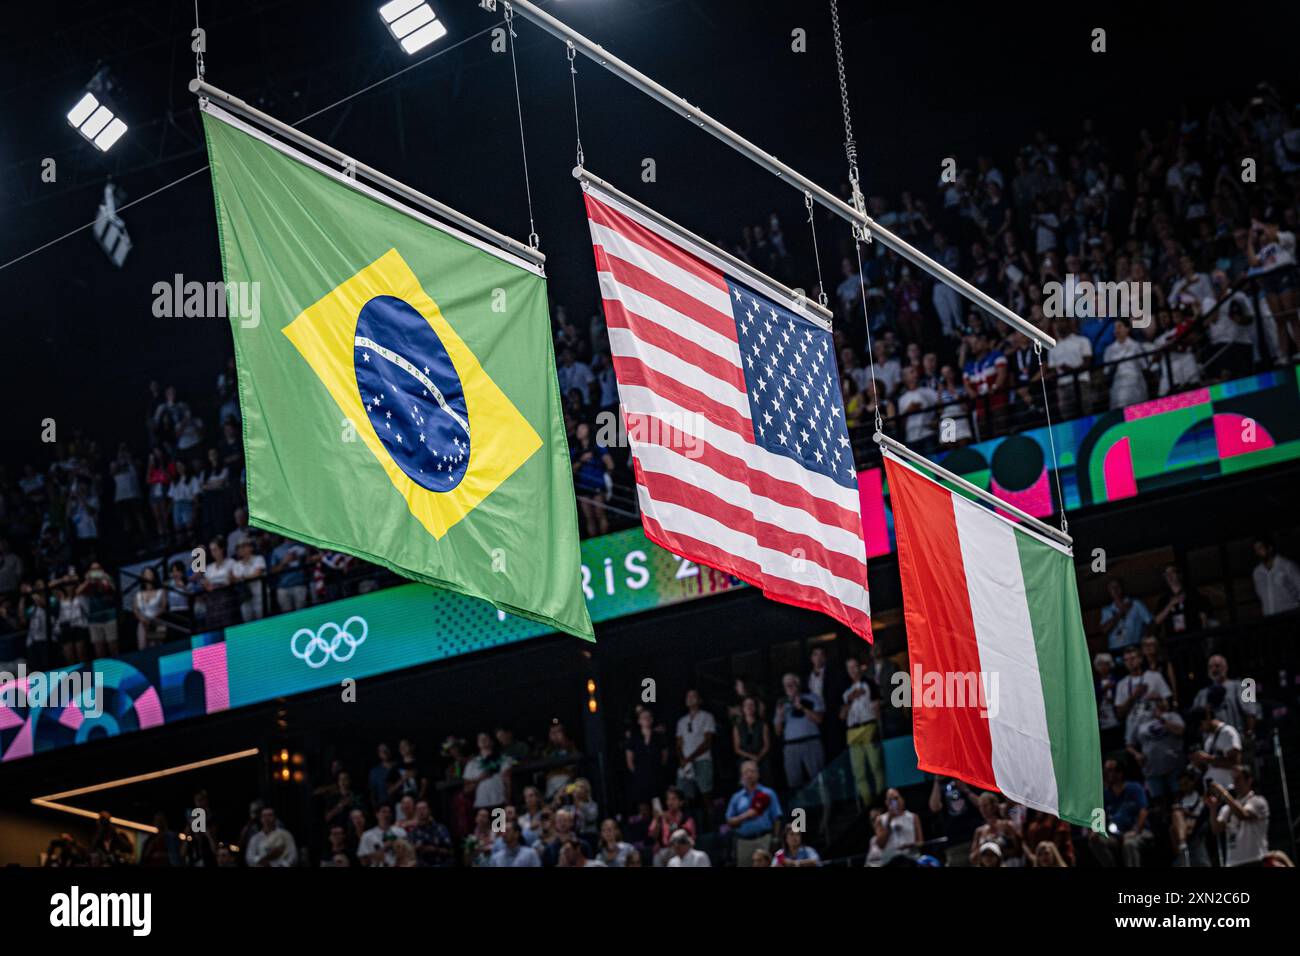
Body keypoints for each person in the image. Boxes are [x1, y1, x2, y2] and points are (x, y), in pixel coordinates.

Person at [724, 760, 783, 867]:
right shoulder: (736, 797)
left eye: (752, 771)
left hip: (764, 839)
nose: (749, 774)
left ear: (758, 774)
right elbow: (729, 821)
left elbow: (777, 818)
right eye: (746, 772)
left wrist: (775, 839)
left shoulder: (768, 793)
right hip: (743, 842)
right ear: (741, 776)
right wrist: (746, 815)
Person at [1207, 766, 1270, 867]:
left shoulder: (1258, 801)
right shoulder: (1227, 808)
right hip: (1233, 862)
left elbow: (1243, 814)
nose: (1235, 783)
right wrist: (1212, 808)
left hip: (1255, 859)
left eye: (1238, 779)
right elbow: (1216, 829)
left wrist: (1224, 793)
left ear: (1249, 780)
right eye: (1233, 780)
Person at [841, 656, 883, 804]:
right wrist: (850, 699)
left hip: (869, 727)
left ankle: (880, 798)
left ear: (860, 667)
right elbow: (841, 715)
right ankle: (867, 803)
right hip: (852, 731)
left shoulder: (870, 684)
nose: (853, 671)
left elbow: (877, 707)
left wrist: (878, 729)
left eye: (855, 667)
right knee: (858, 772)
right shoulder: (846, 690)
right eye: (849, 668)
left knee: (875, 766)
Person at [1092, 760, 1150, 867]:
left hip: (1138, 832)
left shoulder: (1134, 788)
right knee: (1095, 840)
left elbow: (1143, 810)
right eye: (1105, 770)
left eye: (1109, 771)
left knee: (1129, 844)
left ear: (1120, 773)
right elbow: (1100, 813)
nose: (1105, 773)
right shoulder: (1105, 794)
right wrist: (1096, 830)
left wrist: (1136, 830)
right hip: (1115, 835)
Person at [773, 672, 825, 790]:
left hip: (811, 742)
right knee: (794, 783)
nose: (790, 687)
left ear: (798, 684)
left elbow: (819, 719)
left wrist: (802, 707)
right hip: (791, 747)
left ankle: (825, 807)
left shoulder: (811, 697)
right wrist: (780, 715)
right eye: (787, 685)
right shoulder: (781, 703)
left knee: (819, 779)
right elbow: (777, 732)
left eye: (792, 684)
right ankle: (800, 809)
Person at [1191, 655, 1260, 740]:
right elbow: (1197, 721)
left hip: (1238, 740)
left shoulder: (1242, 686)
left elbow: (1251, 713)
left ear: (1225, 667)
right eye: (1210, 667)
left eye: (1217, 666)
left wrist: (1249, 735)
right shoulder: (1202, 694)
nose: (1214, 669)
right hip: (1213, 744)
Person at [1115, 645, 1172, 747]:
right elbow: (1119, 714)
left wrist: (1158, 698)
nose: (1130, 662)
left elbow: (1168, 706)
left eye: (1133, 658)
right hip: (1134, 735)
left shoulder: (1155, 676)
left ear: (1140, 659)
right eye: (1126, 660)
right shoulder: (1121, 684)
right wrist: (1133, 696)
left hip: (1154, 730)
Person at [1191, 692, 1243, 793]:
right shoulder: (1209, 740)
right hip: (1214, 790)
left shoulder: (1227, 732)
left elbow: (1235, 762)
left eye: (1200, 726)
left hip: (1229, 787)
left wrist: (1208, 759)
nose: (1201, 730)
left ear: (1207, 719)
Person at [929, 776, 983, 867]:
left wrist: (966, 790)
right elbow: (934, 807)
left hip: (974, 839)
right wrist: (936, 781)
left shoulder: (969, 779)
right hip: (954, 844)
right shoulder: (940, 787)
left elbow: (981, 804)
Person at [674, 689, 716, 804]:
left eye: (693, 696)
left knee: (706, 795)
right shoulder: (682, 721)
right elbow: (679, 743)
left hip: (702, 761)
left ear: (700, 700)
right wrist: (682, 759)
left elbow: (707, 742)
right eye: (688, 696)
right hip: (686, 764)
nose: (690, 698)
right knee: (684, 797)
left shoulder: (707, 717)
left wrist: (691, 757)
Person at [625, 707, 669, 813]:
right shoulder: (634, 738)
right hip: (640, 776)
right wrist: (637, 772)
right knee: (643, 805)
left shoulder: (658, 737)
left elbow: (664, 756)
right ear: (639, 721)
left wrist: (658, 768)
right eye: (643, 717)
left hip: (656, 775)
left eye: (648, 717)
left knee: (657, 805)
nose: (646, 719)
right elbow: (629, 760)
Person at [1153, 563, 1210, 637]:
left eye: (1172, 572)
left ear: (1178, 574)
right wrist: (1170, 605)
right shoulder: (1163, 599)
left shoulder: (1191, 593)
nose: (1169, 575)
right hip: (1174, 641)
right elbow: (1156, 621)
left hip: (1193, 637)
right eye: (1166, 574)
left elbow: (1203, 615)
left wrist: (1204, 635)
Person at [869, 788, 923, 866]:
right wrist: (889, 821)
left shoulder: (913, 817)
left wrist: (911, 845)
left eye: (896, 798)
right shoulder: (880, 820)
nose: (894, 802)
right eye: (890, 800)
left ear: (902, 800)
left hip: (911, 859)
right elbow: (880, 845)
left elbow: (920, 842)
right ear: (886, 802)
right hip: (889, 862)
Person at [463, 731, 513, 811]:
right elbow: (466, 789)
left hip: (499, 803)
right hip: (481, 805)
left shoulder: (503, 759)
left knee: (500, 824)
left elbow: (508, 782)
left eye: (485, 738)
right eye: (480, 738)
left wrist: (508, 801)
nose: (483, 740)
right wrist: (480, 778)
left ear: (492, 741)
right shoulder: (472, 763)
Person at [1099, 577, 1152, 651]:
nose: (1115, 590)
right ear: (1109, 591)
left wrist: (1145, 639)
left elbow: (1150, 622)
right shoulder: (1106, 610)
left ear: (1122, 588)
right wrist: (1121, 612)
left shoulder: (1136, 604)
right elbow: (1104, 630)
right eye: (1112, 588)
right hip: (1116, 652)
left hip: (1136, 649)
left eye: (1117, 586)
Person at [647, 786, 695, 867]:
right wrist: (656, 820)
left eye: (673, 799)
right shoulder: (661, 816)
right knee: (657, 856)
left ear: (681, 802)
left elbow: (685, 837)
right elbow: (652, 835)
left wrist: (670, 822)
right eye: (668, 799)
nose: (670, 802)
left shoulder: (687, 818)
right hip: (662, 852)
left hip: (679, 850)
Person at [1252, 535, 1300, 615]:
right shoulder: (1257, 573)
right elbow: (1261, 596)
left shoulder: (1287, 566)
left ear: (1270, 548)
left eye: (1260, 548)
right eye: (1256, 549)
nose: (1257, 552)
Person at [731, 695, 772, 783]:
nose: (749, 707)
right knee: (746, 786)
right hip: (744, 760)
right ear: (743, 708)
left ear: (755, 708)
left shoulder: (763, 724)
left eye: (751, 704)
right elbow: (737, 748)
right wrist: (751, 757)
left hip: (761, 758)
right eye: (746, 705)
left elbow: (767, 745)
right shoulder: (737, 727)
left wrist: (758, 757)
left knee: (764, 785)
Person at [406, 800, 454, 867]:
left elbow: (450, 851)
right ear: (415, 812)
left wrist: (434, 849)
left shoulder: (440, 828)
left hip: (440, 864)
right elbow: (409, 853)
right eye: (418, 809)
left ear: (429, 810)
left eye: (423, 808)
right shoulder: (413, 832)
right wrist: (416, 848)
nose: (421, 812)